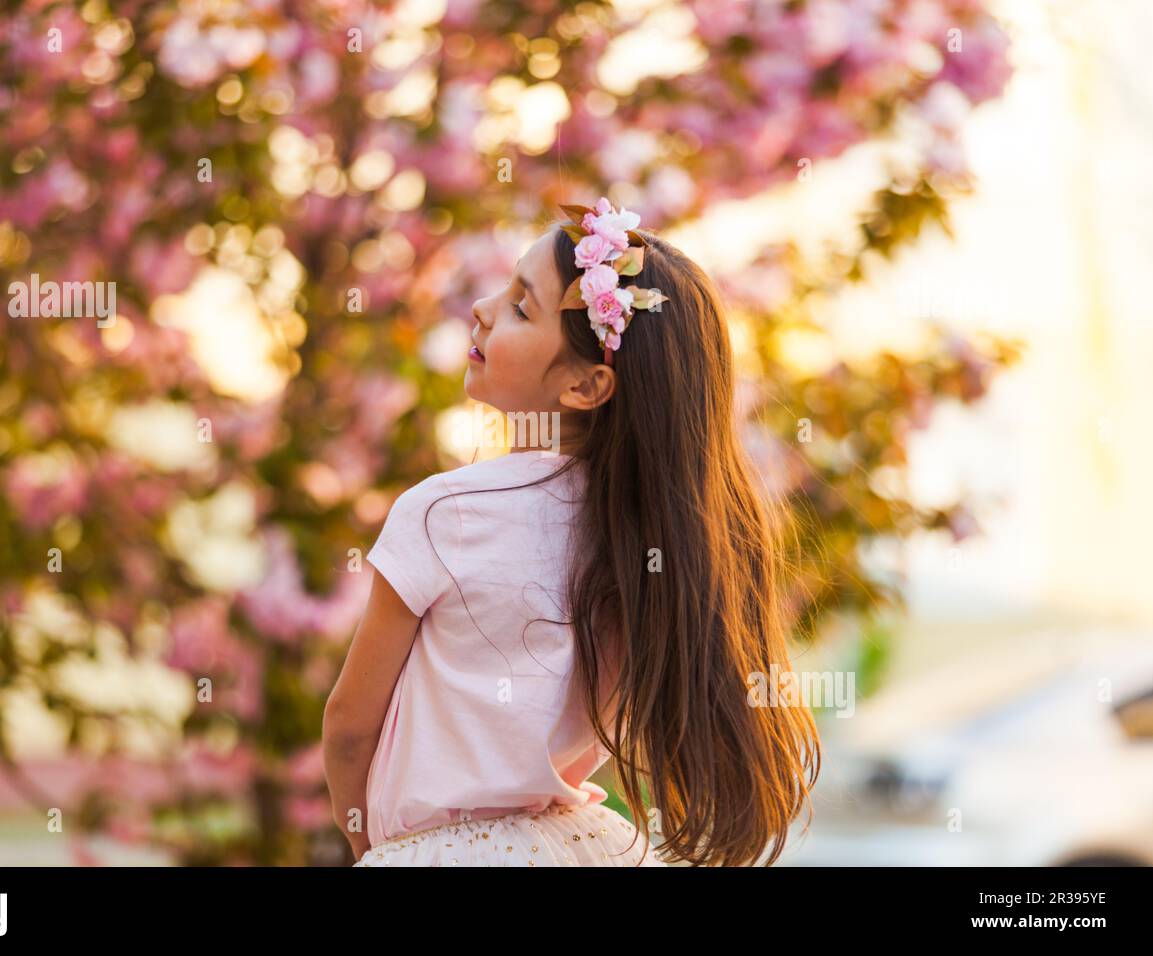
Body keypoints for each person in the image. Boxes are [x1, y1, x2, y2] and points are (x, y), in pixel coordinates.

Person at [324, 198, 821, 866]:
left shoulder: (443, 512)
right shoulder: (642, 528)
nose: (482, 308)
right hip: (578, 847)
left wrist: (379, 847)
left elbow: (350, 726)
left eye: (521, 307)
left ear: (588, 386)